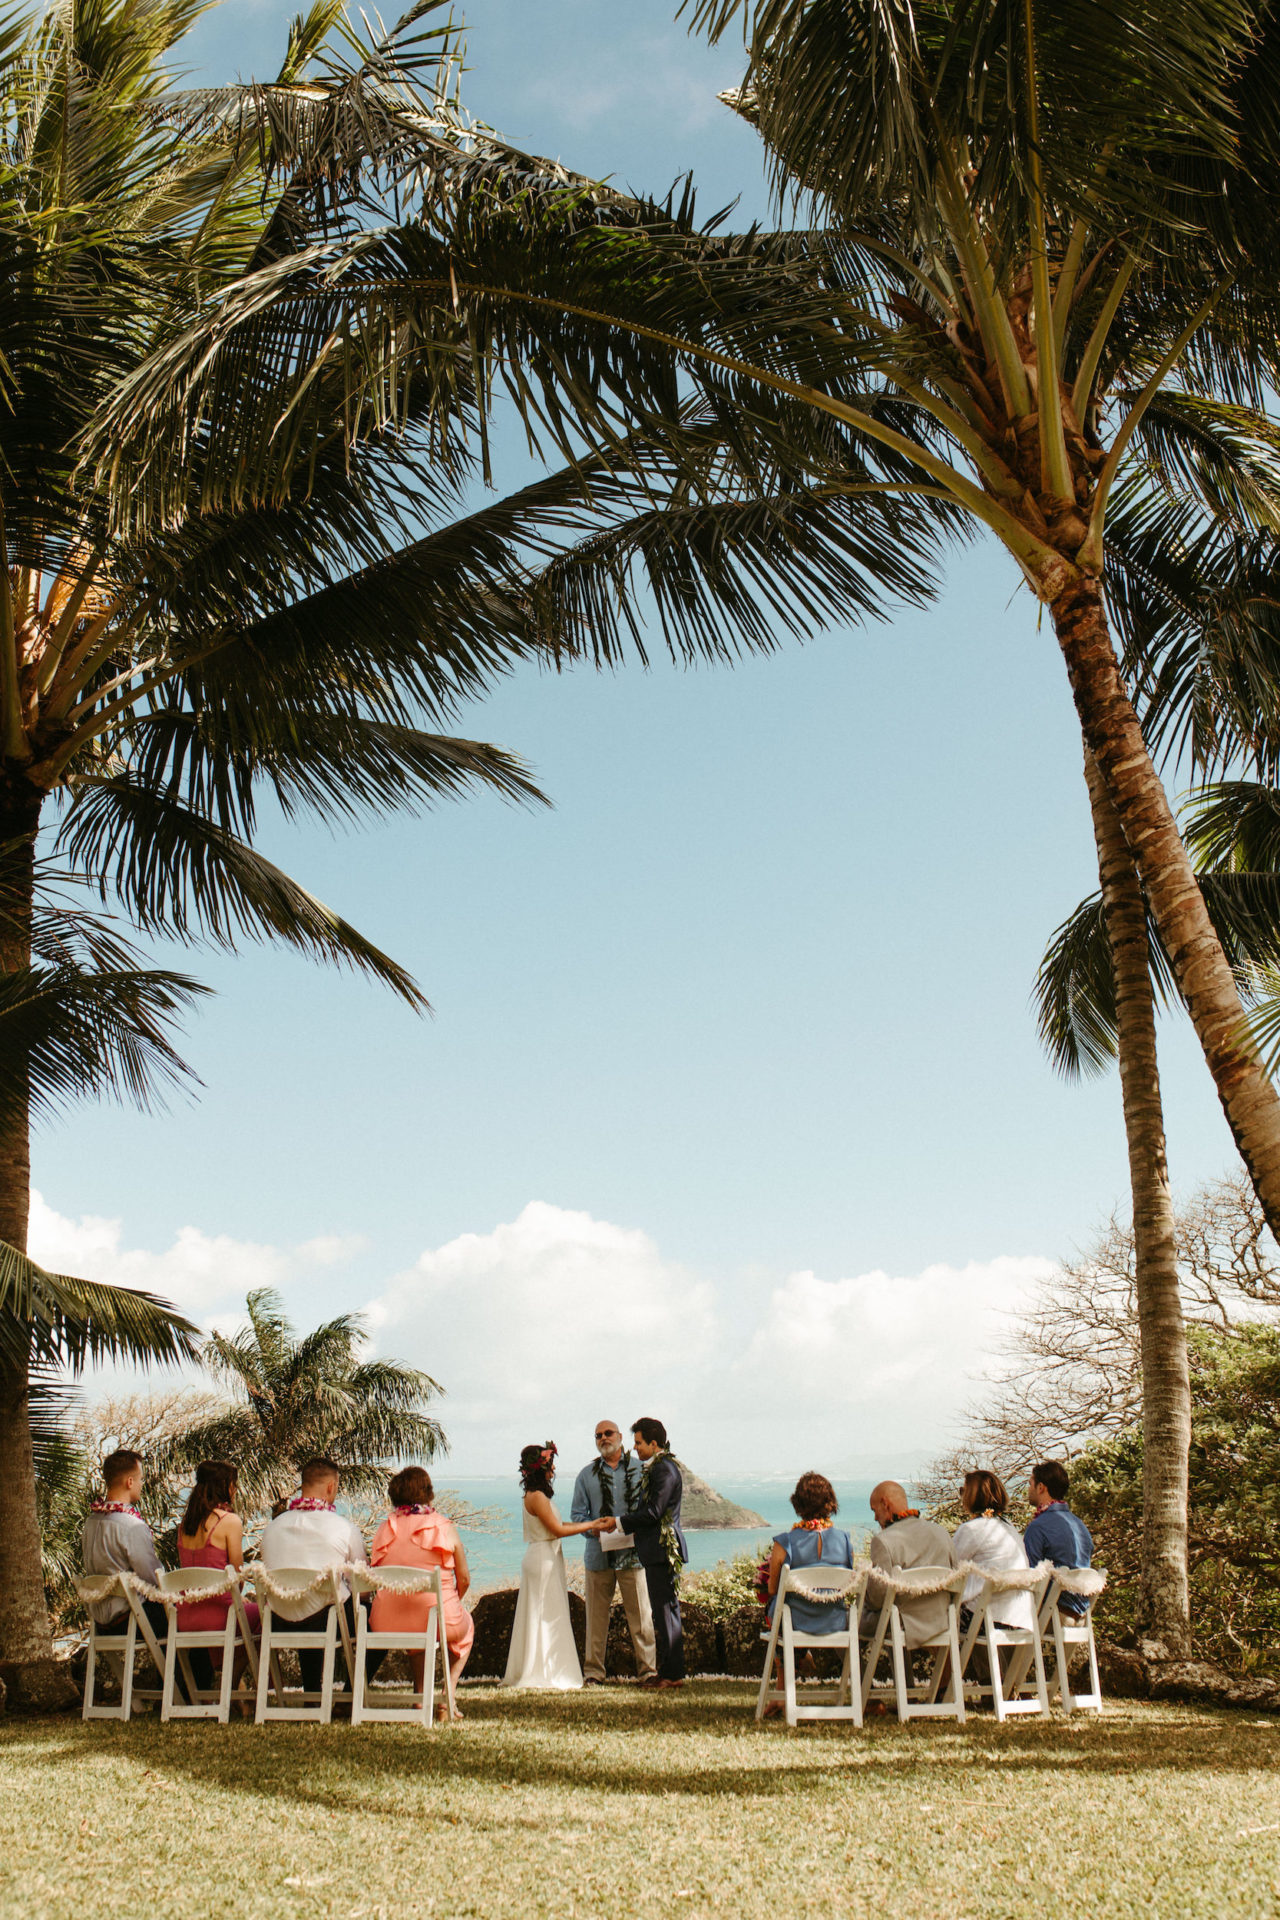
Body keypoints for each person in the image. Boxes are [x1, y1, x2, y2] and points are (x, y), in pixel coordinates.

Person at [503, 1442, 610, 1689]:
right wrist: (594, 1524)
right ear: (542, 1468)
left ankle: (542, 1667)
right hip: (542, 1557)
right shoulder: (537, 1497)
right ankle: (542, 1671)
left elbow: (557, 1525)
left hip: (545, 1554)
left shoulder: (535, 1495)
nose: (553, 1471)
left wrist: (591, 1525)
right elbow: (558, 1529)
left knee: (547, 1612)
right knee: (545, 1614)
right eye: (551, 1466)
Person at [369, 1466, 474, 1717]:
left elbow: (373, 1573)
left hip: (386, 1620)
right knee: (466, 1627)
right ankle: (447, 1696)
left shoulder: (385, 1528)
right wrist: (452, 1601)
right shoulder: (443, 1526)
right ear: (428, 1493)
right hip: (437, 1617)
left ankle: (419, 1697)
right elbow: (464, 1578)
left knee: (415, 1625)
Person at [258, 1456, 367, 1695]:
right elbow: (362, 1582)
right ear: (331, 1487)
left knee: (314, 1602)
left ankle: (312, 1693)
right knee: (361, 1610)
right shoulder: (344, 1528)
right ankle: (352, 1693)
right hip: (327, 1621)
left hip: (278, 1620)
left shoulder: (272, 1528)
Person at [570, 1418, 657, 1687]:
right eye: (598, 1436)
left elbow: (650, 1509)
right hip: (599, 1557)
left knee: (642, 1617)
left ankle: (648, 1672)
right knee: (595, 1619)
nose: (603, 1438)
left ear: (620, 1436)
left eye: (608, 1433)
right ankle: (593, 1673)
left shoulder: (640, 1469)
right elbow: (577, 1516)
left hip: (633, 1556)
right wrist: (594, 1529)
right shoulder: (586, 1475)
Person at [762, 1472, 857, 1718]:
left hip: (796, 1623)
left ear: (798, 1503)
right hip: (835, 1621)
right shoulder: (845, 1540)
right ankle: (792, 1676)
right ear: (830, 1502)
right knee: (782, 1613)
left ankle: (786, 1683)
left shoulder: (785, 1542)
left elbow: (773, 1589)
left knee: (775, 1611)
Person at [609, 1417, 688, 1690]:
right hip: (655, 1551)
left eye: (639, 1443)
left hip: (662, 1550)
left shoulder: (664, 1470)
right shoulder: (659, 1467)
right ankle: (668, 1671)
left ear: (654, 1444)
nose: (636, 1448)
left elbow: (654, 1512)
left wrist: (619, 1522)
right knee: (663, 1612)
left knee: (666, 1612)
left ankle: (672, 1674)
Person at [177, 1460, 260, 1699]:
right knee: (266, 1614)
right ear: (225, 1486)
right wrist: (236, 1598)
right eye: (234, 1484)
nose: (235, 1490)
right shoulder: (228, 1521)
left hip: (185, 1617)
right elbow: (238, 1577)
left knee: (247, 1616)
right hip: (219, 1616)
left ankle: (232, 1691)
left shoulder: (185, 1525)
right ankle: (231, 1686)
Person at [81, 1449, 166, 1644]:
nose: (142, 1484)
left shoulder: (90, 1522)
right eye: (141, 1479)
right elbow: (152, 1577)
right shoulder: (131, 1526)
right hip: (130, 1619)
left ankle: (168, 1673)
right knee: (187, 1622)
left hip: (100, 1622)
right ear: (129, 1482)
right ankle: (178, 1675)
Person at [859, 1479, 955, 1646]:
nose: (875, 1517)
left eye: (875, 1510)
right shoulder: (941, 1533)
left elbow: (877, 1598)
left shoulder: (883, 1541)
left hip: (904, 1623)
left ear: (885, 1504)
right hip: (942, 1620)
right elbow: (957, 1577)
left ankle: (856, 1672)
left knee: (853, 1619)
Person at [951, 1468, 1035, 1633]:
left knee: (935, 1623)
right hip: (1021, 1618)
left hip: (987, 1618)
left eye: (963, 1491)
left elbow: (951, 1569)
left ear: (971, 1496)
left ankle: (950, 1660)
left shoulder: (972, 1529)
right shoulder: (1009, 1527)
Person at [1024, 1459, 1094, 1617]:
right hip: (1081, 1614)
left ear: (1041, 1487)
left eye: (1030, 1484)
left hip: (1053, 1615)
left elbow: (1031, 1576)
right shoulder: (1080, 1525)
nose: (1029, 1489)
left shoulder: (1039, 1527)